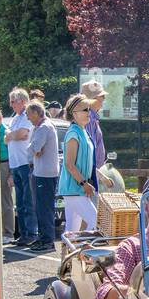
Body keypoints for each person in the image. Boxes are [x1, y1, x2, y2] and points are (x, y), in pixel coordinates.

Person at [58, 94, 97, 234]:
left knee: (71, 233)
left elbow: (89, 164)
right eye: (84, 110)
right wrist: (84, 183)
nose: (89, 112)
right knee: (96, 222)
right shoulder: (73, 133)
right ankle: (84, 252)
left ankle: (68, 254)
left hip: (77, 190)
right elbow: (69, 164)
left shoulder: (83, 132)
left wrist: (103, 178)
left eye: (88, 109)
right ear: (74, 113)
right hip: (74, 189)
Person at [6, 87, 37, 248]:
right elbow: (9, 137)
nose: (11, 104)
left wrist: (11, 135)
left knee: (27, 200)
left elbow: (22, 134)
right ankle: (24, 234)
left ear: (22, 101)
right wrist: (12, 135)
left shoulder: (26, 116)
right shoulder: (14, 118)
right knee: (20, 201)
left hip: (25, 163)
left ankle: (31, 233)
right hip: (16, 164)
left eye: (13, 101)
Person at [27, 101, 59, 252]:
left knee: (44, 208)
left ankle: (47, 240)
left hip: (44, 175)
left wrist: (34, 149)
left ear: (35, 113)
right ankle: (43, 238)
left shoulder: (44, 127)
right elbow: (34, 149)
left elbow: (33, 148)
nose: (28, 118)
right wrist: (34, 150)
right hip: (42, 172)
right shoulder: (40, 127)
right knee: (41, 207)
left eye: (28, 114)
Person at [80, 80, 108, 190]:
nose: (103, 100)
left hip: (93, 173)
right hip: (90, 175)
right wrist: (100, 176)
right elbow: (89, 150)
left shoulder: (92, 117)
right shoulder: (89, 118)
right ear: (93, 99)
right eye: (102, 97)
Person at [0, 111, 15, 244]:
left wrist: (11, 174)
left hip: (4, 165)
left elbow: (12, 154)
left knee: (6, 201)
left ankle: (8, 233)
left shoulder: (5, 131)